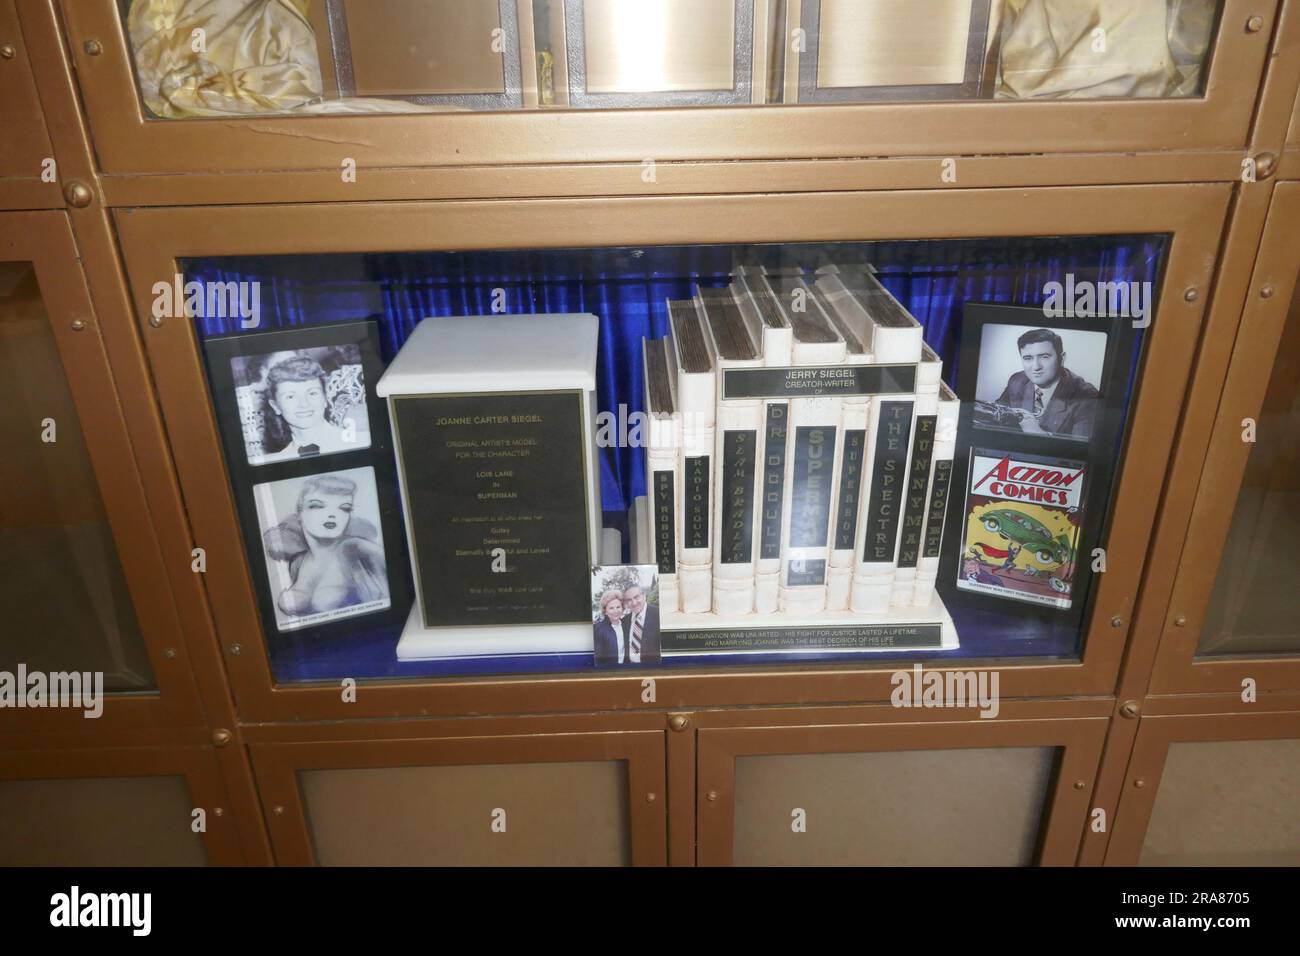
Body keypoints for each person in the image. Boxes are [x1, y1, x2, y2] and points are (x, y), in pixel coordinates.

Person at [262, 474, 388, 618]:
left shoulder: (357, 550)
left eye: (344, 508)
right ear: (299, 513)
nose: (332, 514)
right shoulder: (298, 562)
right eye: (317, 506)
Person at [993, 328, 1100, 439]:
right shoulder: (1017, 380)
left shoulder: (1087, 397)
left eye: (1044, 357)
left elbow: (1081, 452)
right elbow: (994, 419)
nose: (1036, 367)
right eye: (1028, 358)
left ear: (1061, 358)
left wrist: (1039, 434)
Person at [259, 355, 354, 462]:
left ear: (325, 398)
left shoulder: (358, 441)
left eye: (312, 393)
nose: (304, 404)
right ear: (275, 406)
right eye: (290, 396)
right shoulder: (279, 460)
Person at [621, 584, 661, 665]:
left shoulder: (658, 615)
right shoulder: (624, 621)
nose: (634, 603)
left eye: (636, 597)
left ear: (644, 595)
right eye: (629, 600)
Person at [592, 590, 626, 666]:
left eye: (618, 607)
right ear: (605, 611)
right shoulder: (598, 630)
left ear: (622, 608)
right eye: (611, 608)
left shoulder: (626, 625)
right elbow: (598, 660)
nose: (616, 611)